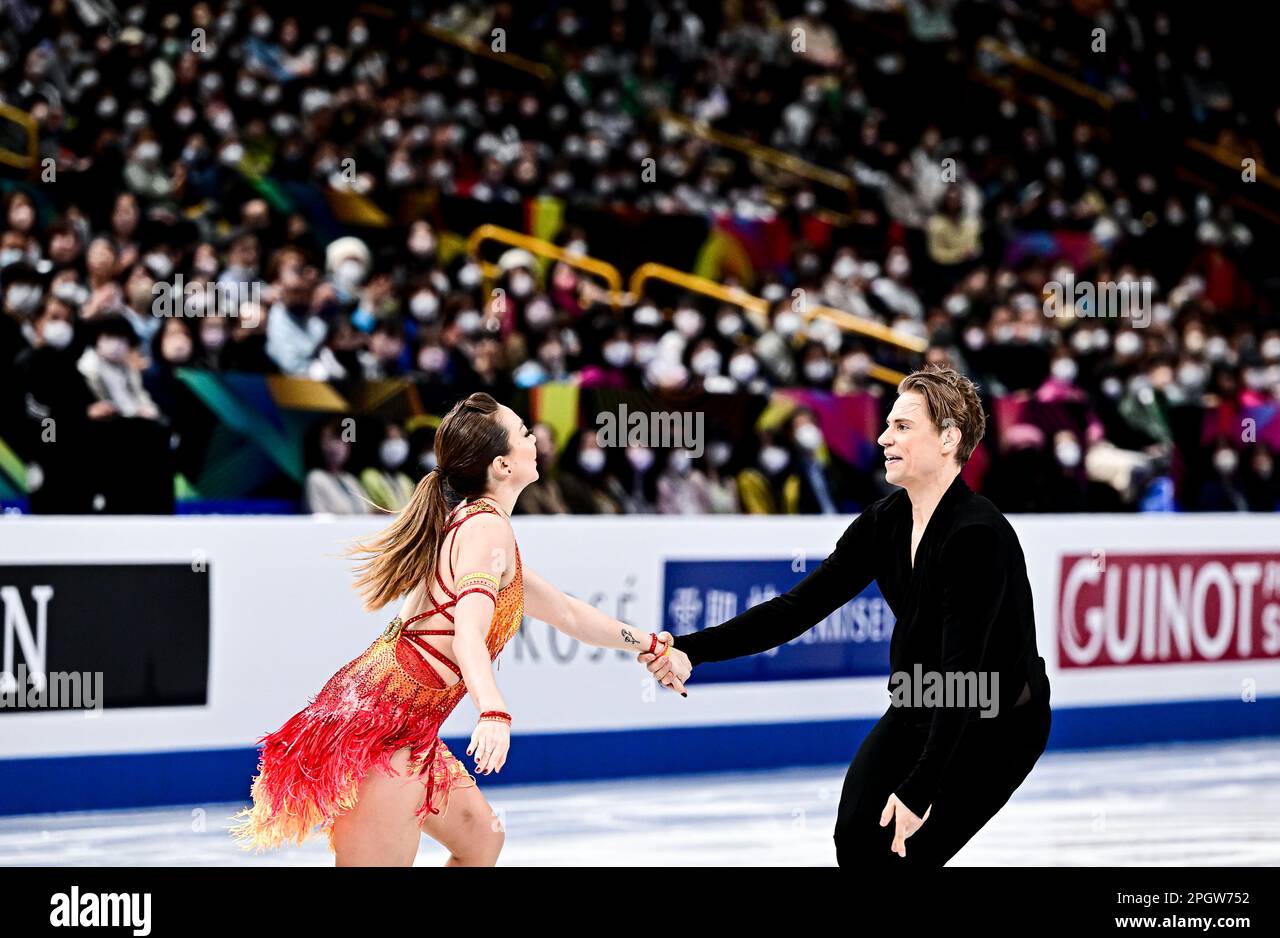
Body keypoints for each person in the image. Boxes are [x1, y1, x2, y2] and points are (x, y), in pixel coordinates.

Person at [230, 392, 679, 865]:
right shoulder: (485, 529)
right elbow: (468, 633)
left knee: (482, 839)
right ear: (503, 465)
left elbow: (567, 612)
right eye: (525, 432)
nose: (535, 438)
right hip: (380, 733)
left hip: (408, 725)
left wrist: (651, 643)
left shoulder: (482, 525)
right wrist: (493, 710)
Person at [644, 365, 1051, 866]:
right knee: (856, 840)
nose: (883, 438)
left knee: (906, 855)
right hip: (925, 702)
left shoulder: (977, 537)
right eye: (887, 425)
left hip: (995, 721)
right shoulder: (884, 523)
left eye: (903, 426)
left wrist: (921, 784)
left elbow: (961, 673)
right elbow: (796, 609)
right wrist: (693, 649)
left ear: (949, 438)